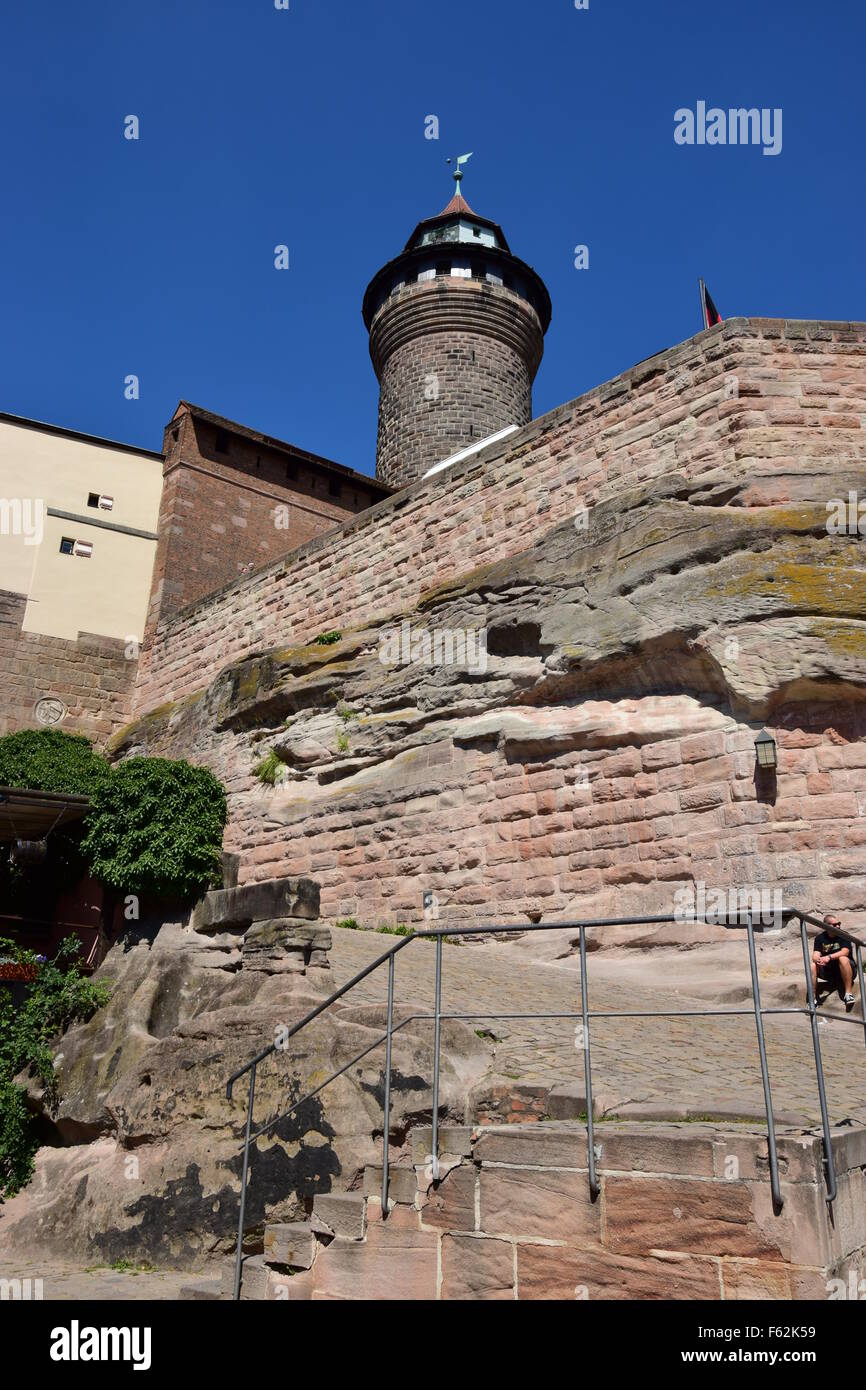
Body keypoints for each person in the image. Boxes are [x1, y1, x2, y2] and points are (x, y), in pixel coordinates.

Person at [811, 914, 856, 1008]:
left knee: (842, 958)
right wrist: (819, 959)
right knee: (813, 965)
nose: (838, 926)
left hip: (847, 969)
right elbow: (815, 955)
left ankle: (848, 994)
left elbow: (845, 952)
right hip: (829, 972)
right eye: (834, 925)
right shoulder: (820, 938)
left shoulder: (844, 935)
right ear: (826, 926)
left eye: (838, 924)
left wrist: (829, 957)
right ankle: (813, 999)